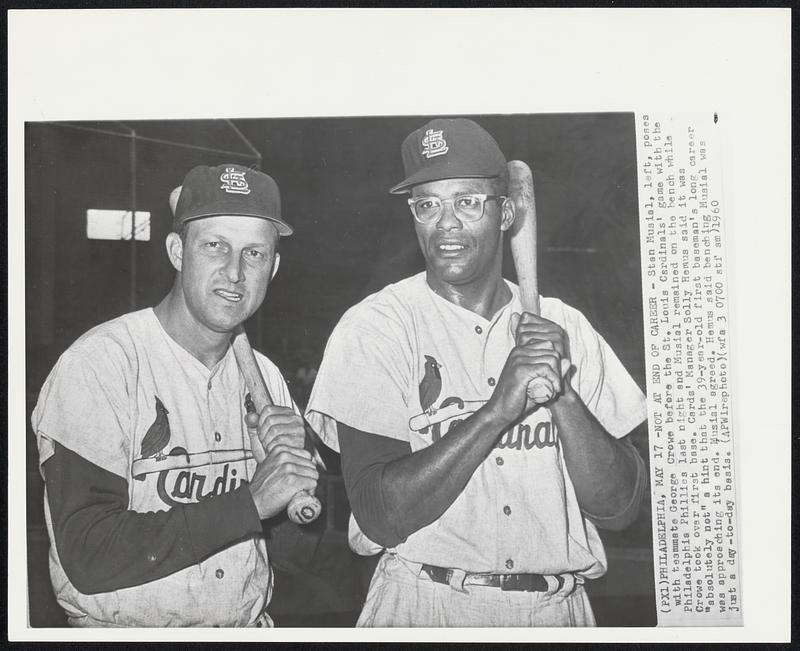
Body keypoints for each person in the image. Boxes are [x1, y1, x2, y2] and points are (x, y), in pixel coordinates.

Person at [305, 118, 648, 627]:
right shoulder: (376, 326)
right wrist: (497, 411)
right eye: (427, 205)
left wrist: (563, 397)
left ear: (506, 212)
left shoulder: (565, 325)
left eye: (467, 201)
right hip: (424, 604)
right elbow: (379, 513)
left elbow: (620, 509)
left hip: (557, 612)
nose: (445, 224)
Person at [31, 163, 319, 627]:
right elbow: (87, 553)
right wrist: (249, 501)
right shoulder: (101, 364)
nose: (234, 273)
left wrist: (292, 490)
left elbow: (294, 554)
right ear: (176, 251)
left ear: (274, 266)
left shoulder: (265, 378)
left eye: (255, 254)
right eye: (214, 246)